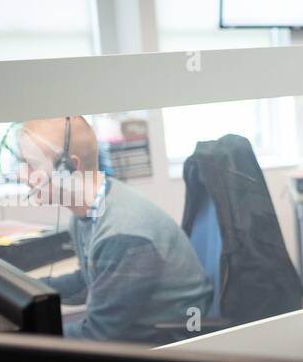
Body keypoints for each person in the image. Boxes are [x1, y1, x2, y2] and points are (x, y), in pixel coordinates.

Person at [16, 116, 212, 343]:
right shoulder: (87, 213)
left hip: (171, 342)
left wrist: (18, 336)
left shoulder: (124, 234)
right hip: (134, 327)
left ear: (69, 167)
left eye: (32, 164)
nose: (22, 175)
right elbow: (87, 281)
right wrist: (24, 289)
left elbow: (97, 336)